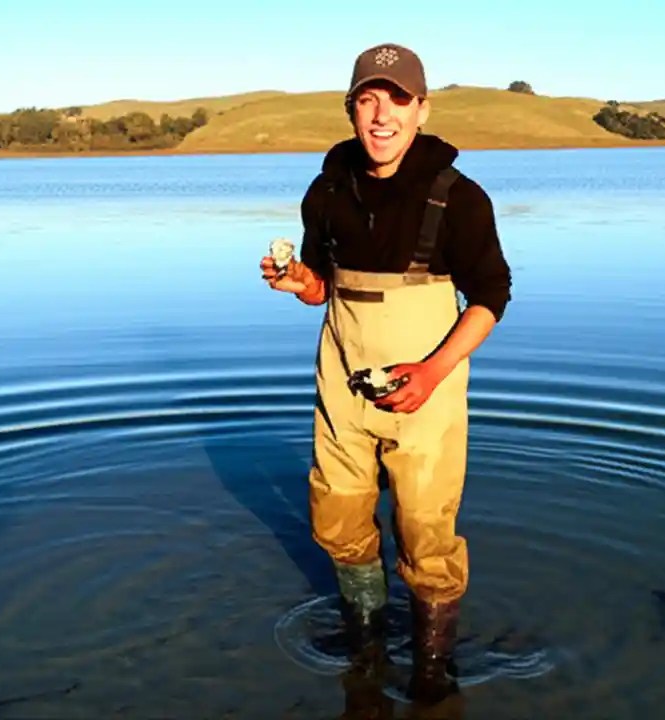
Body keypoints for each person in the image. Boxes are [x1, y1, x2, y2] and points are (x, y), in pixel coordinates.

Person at [260, 42, 512, 705]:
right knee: (338, 521)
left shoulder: (459, 198)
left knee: (427, 534)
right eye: (368, 100)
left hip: (426, 393)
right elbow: (324, 288)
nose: (382, 115)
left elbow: (491, 297)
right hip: (342, 387)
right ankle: (366, 657)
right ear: (351, 110)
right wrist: (297, 281)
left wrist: (431, 373)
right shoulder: (326, 191)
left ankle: (433, 675)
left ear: (421, 109)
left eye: (397, 100)